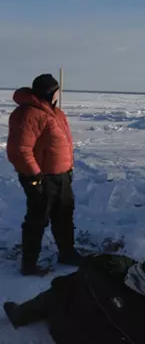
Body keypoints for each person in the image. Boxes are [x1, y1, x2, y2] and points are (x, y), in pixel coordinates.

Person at [3, 253, 145, 344]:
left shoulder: (116, 271)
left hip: (70, 328)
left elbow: (65, 283)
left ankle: (21, 314)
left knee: (63, 290)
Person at [6, 73, 82, 276]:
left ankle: (67, 253)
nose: (59, 94)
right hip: (41, 177)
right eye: (57, 90)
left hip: (61, 175)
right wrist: (34, 176)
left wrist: (68, 168)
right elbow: (19, 150)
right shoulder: (28, 114)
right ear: (49, 92)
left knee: (64, 215)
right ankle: (29, 264)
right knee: (37, 219)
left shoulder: (55, 113)